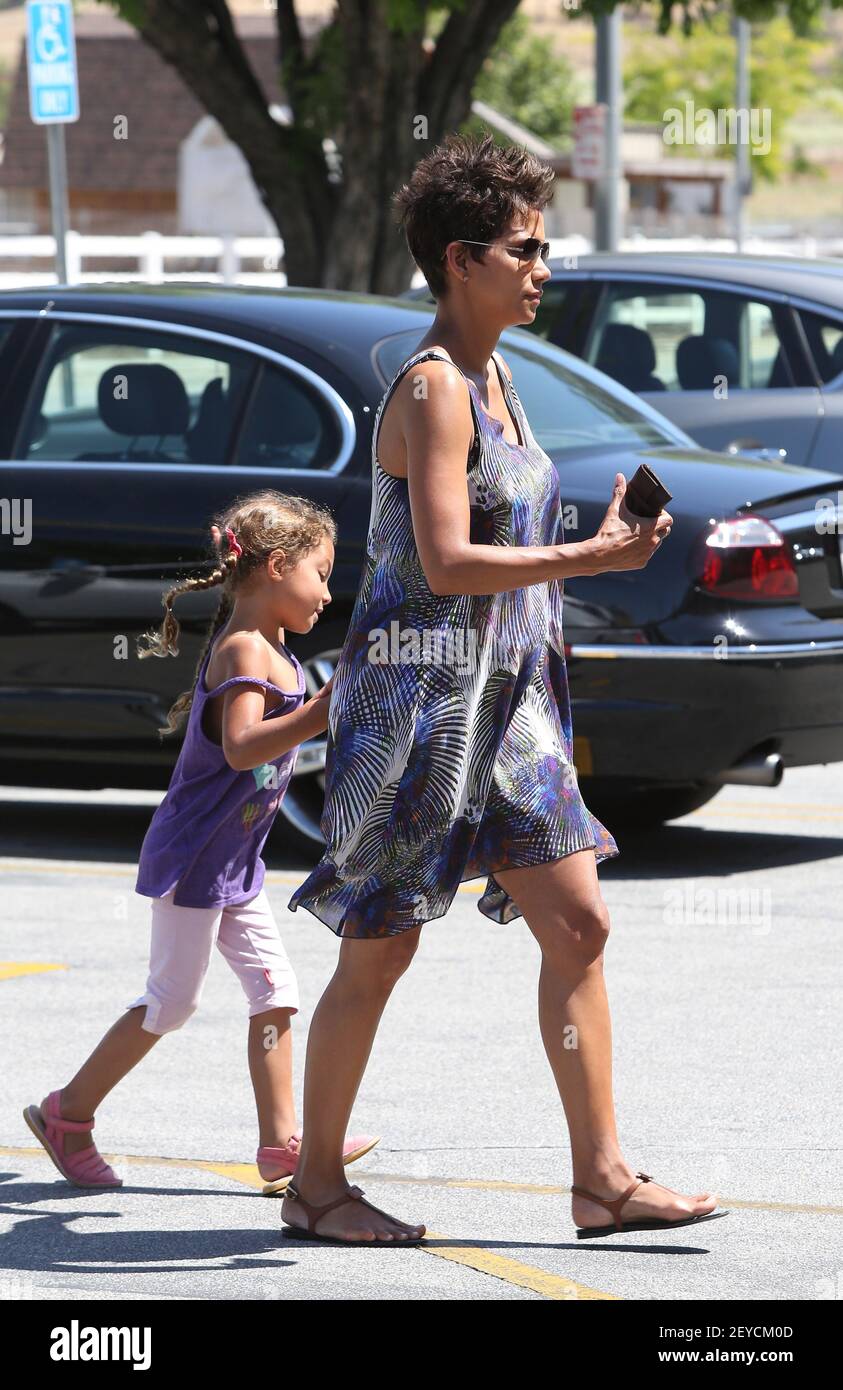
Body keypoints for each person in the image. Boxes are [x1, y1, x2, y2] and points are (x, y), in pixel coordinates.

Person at [281, 133, 723, 1247]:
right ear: (462, 258)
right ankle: (317, 1183)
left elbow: (507, 531)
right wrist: (598, 561)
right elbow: (444, 564)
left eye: (544, 245)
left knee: (577, 924)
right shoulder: (433, 388)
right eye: (526, 249)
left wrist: (607, 530)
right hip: (419, 708)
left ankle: (603, 1180)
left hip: (510, 702)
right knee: (381, 945)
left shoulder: (502, 377)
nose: (545, 267)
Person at [24, 490, 378, 1195]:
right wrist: (320, 710)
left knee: (275, 992)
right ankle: (68, 1113)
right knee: (170, 1003)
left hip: (232, 862)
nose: (327, 592)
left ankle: (281, 1146)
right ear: (276, 567)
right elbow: (244, 748)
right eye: (321, 573)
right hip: (194, 860)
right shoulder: (246, 648)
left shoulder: (273, 646)